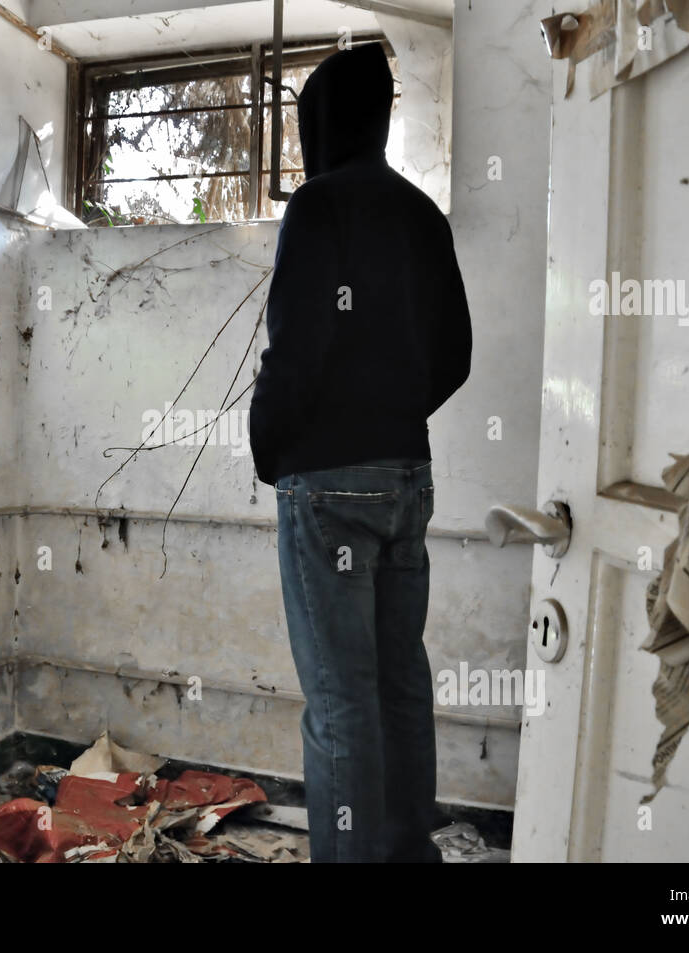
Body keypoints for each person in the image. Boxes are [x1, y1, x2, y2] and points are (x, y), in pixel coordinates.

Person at [248, 41, 472, 863]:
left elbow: (296, 350)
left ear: (321, 123)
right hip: (407, 477)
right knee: (399, 682)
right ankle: (410, 852)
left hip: (330, 488)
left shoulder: (318, 207)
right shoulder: (423, 214)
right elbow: (456, 354)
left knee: (339, 699)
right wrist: (390, 415)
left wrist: (271, 446)